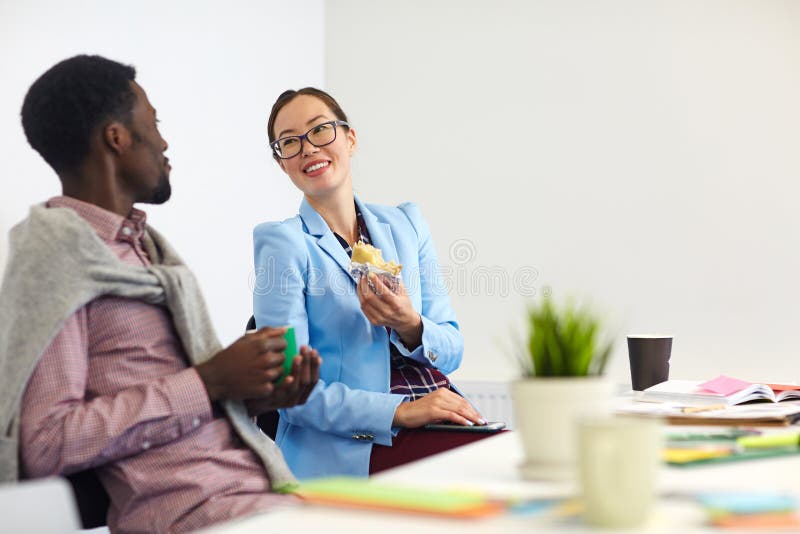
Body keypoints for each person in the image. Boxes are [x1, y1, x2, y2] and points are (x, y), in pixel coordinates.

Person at [0, 55, 321, 533]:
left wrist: (257, 394)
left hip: (265, 499)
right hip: (199, 517)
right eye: (154, 123)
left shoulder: (148, 254)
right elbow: (45, 445)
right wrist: (209, 381)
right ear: (117, 137)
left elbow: (179, 405)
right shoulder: (54, 259)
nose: (164, 142)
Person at [252, 87, 491, 480]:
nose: (308, 148)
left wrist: (409, 324)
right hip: (355, 448)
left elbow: (451, 351)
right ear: (282, 164)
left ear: (350, 138)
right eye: (289, 142)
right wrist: (400, 410)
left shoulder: (406, 224)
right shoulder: (282, 244)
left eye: (319, 130)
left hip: (440, 418)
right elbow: (289, 392)